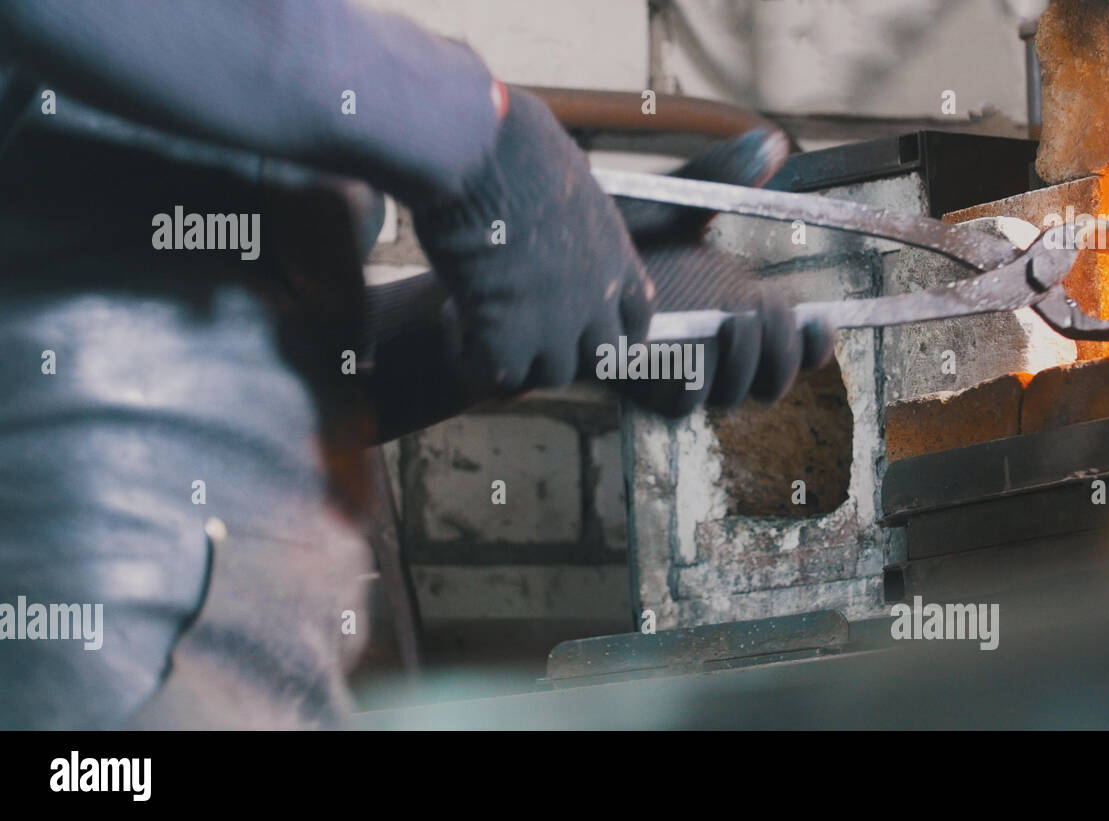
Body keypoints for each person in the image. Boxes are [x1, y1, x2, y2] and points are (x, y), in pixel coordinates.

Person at [0, 0, 832, 729]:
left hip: (242, 658)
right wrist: (479, 131)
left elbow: (191, 335)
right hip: (99, 654)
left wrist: (470, 330)